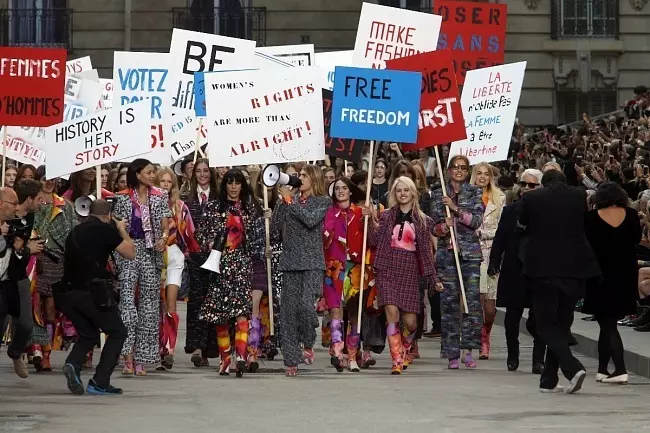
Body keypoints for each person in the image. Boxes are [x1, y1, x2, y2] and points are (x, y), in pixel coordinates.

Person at [518, 169, 601, 394]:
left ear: (543, 184)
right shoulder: (578, 196)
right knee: (562, 324)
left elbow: (522, 223)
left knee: (544, 324)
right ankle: (548, 380)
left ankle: (572, 367)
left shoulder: (531, 198)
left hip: (543, 269)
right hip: (574, 269)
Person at [58, 199, 135, 395]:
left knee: (88, 333)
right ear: (108, 215)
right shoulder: (104, 230)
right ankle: (100, 382)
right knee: (118, 332)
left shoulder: (74, 232)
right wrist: (121, 229)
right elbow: (130, 252)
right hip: (93, 293)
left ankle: (73, 364)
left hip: (69, 294)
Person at [365, 176, 438, 374]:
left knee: (411, 323)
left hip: (410, 271)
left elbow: (425, 252)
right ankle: (396, 358)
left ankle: (405, 348)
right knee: (391, 315)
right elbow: (372, 240)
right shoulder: (386, 216)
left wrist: (433, 278)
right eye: (399, 191)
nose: (403, 194)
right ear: (394, 194)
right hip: (387, 268)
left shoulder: (423, 220)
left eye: (406, 190)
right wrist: (370, 219)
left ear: (413, 193)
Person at [195, 169, 264, 377]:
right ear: (224, 185)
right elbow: (200, 234)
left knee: (243, 311)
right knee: (221, 316)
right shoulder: (214, 207)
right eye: (230, 183)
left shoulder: (250, 208)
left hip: (242, 265)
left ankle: (241, 356)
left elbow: (257, 237)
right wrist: (213, 246)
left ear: (242, 186)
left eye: (237, 183)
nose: (234, 187)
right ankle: (225, 358)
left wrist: (264, 219)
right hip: (220, 266)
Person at [113, 159, 171, 376]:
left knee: (149, 306)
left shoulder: (159, 196)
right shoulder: (122, 197)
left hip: (151, 252)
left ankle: (142, 359)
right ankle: (127, 356)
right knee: (127, 303)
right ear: (137, 174)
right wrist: (124, 238)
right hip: (129, 251)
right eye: (149, 171)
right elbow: (118, 227)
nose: (152, 174)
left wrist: (164, 238)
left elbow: (166, 224)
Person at [488, 169, 546, 373]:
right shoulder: (510, 211)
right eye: (523, 184)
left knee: (539, 318)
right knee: (512, 318)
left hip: (539, 270)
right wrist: (494, 261)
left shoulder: (547, 211)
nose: (527, 188)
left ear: (540, 187)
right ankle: (513, 355)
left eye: (532, 185)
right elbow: (501, 237)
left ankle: (538, 360)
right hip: (514, 268)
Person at [274, 165, 330, 377]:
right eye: (300, 175)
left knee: (306, 308)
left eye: (305, 176)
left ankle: (308, 341)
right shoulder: (290, 201)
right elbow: (277, 227)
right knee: (288, 313)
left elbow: (310, 220)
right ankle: (291, 359)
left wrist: (290, 202)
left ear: (314, 180)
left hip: (312, 262)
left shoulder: (322, 201)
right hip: (290, 262)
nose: (300, 179)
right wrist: (281, 204)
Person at [583, 182, 641, 385]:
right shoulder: (632, 215)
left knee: (607, 324)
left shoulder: (590, 218)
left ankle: (620, 369)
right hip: (625, 275)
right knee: (606, 323)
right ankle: (601, 369)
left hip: (600, 276)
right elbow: (636, 239)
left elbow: (586, 245)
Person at [431, 155, 484, 370]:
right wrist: (443, 227)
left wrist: (456, 210)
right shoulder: (437, 193)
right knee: (449, 304)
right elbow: (432, 227)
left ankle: (469, 349)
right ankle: (452, 352)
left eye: (463, 168)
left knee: (471, 303)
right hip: (447, 255)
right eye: (455, 167)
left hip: (469, 254)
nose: (459, 171)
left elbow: (476, 221)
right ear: (449, 170)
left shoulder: (474, 192)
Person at [155, 167, 199, 370]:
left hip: (175, 256)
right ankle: (155, 345)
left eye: (168, 181)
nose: (165, 184)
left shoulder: (181, 207)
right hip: (154, 256)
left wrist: (194, 253)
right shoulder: (148, 205)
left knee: (171, 303)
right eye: (161, 181)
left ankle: (169, 349)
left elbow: (191, 233)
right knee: (155, 304)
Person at [180, 158, 219, 366]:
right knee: (196, 302)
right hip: (195, 258)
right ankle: (196, 346)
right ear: (193, 174)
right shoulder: (187, 200)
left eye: (206, 171)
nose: (202, 174)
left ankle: (210, 348)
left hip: (216, 257)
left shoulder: (219, 198)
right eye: (198, 171)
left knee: (213, 301)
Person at [0, 187, 41, 378]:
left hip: (16, 281)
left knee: (25, 325)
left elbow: (20, 257)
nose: (17, 207)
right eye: (13, 203)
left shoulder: (17, 224)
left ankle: (16, 352)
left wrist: (22, 249)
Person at [470, 162, 506, 360]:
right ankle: (478, 339)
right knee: (476, 301)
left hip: (492, 256)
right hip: (471, 255)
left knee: (490, 309)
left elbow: (502, 228)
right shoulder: (465, 196)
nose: (482, 177)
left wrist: (481, 232)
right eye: (479, 173)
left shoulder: (499, 198)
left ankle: (487, 333)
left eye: (486, 174)